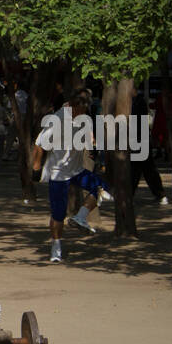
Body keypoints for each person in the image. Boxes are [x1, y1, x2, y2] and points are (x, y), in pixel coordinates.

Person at [31, 88, 112, 263]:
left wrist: (93, 149)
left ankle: (80, 217)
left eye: (83, 111)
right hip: (58, 172)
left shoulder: (85, 119)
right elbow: (39, 145)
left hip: (76, 169)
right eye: (78, 110)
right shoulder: (58, 120)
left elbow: (88, 139)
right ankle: (56, 247)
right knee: (58, 214)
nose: (80, 113)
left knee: (101, 186)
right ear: (72, 106)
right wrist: (36, 168)